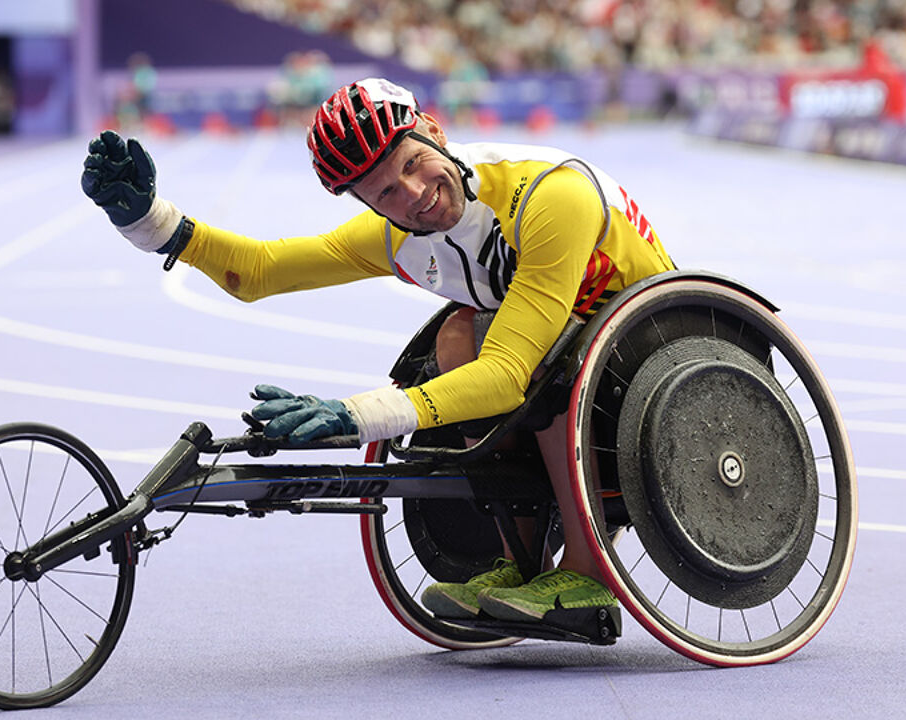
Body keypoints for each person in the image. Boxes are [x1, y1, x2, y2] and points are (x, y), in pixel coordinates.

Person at [81, 78, 675, 625]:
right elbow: (261, 270)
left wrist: (355, 415)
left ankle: (588, 573)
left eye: (414, 164)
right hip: (578, 352)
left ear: (435, 132)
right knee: (456, 337)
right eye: (385, 191)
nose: (415, 196)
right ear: (366, 203)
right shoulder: (395, 236)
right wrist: (151, 223)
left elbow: (507, 374)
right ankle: (520, 563)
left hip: (659, 353)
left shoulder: (550, 195)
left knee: (539, 360)